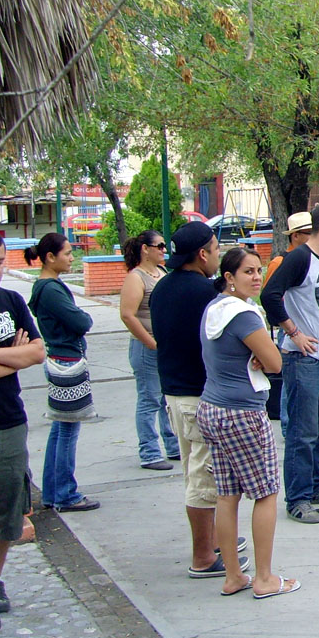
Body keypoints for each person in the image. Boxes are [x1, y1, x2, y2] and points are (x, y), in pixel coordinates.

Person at [151, 221, 251, 578]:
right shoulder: (203, 294)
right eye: (215, 247)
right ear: (203, 253)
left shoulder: (163, 286)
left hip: (174, 391)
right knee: (205, 480)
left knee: (196, 472)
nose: (218, 253)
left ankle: (215, 539)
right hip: (198, 394)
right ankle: (204, 556)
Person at [197, 248, 298, 599]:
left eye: (258, 271)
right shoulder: (244, 315)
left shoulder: (214, 309)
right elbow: (275, 363)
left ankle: (233, 575)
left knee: (228, 494)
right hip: (242, 411)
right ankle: (265, 578)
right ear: (229, 277)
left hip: (212, 407)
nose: (256, 277)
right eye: (247, 272)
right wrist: (264, 352)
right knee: (266, 493)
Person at [260, 203, 319, 524]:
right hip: (304, 360)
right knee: (303, 433)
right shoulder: (299, 257)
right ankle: (298, 498)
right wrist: (293, 333)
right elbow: (270, 295)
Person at [0, 229, 46, 638]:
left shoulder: (12, 300)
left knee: (6, 508)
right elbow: (23, 357)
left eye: (0, 261)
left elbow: (37, 352)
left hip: (9, 421)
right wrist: (11, 358)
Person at [26, 233, 99, 514]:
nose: (71, 258)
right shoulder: (51, 289)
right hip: (67, 361)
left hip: (61, 357)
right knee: (68, 428)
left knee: (60, 426)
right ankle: (65, 494)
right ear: (49, 257)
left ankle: (53, 491)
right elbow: (80, 321)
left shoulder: (47, 286)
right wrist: (83, 319)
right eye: (67, 253)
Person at [120, 231, 179, 471]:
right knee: (149, 398)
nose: (164, 250)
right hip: (146, 347)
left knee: (166, 398)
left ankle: (173, 445)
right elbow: (127, 314)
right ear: (145, 249)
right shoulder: (136, 278)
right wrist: (150, 342)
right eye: (160, 246)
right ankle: (149, 451)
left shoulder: (162, 273)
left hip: (166, 346)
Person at [264, 211, 312, 440]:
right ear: (295, 236)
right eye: (307, 233)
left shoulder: (312, 258)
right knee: (289, 380)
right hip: (291, 328)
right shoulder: (280, 262)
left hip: (306, 326)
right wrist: (289, 326)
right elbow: (272, 294)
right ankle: (287, 424)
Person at [263, 211, 312, 286]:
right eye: (310, 232)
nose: (315, 236)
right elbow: (269, 295)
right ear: (295, 236)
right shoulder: (278, 263)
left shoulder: (314, 259)